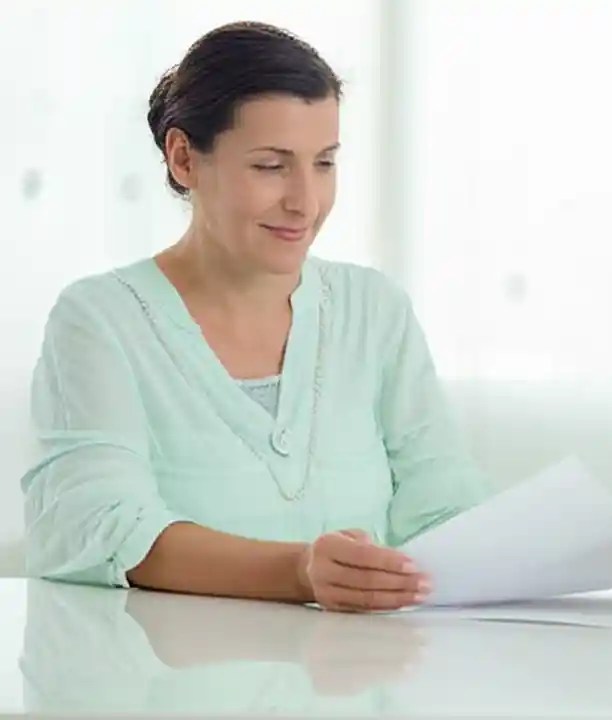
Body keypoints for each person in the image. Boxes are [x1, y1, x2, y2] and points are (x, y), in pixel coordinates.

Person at [20, 21, 488, 613]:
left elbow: (445, 505)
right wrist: (299, 571)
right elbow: (99, 528)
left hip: (358, 689)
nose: (306, 201)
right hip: (164, 695)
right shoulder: (101, 320)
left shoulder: (374, 310)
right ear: (184, 158)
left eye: (323, 163)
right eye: (271, 166)